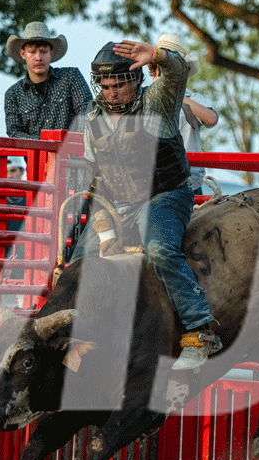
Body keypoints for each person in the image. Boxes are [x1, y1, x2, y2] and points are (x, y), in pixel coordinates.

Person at [75, 40, 221, 370]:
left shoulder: (156, 102)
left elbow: (177, 72)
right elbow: (95, 181)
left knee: (158, 249)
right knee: (78, 261)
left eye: (119, 85)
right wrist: (104, 234)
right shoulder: (92, 118)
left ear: (136, 80)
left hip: (165, 193)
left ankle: (200, 330)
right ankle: (80, 337)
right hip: (116, 202)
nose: (112, 92)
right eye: (106, 86)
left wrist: (159, 56)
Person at [147, 34, 219, 195]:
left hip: (188, 185)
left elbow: (211, 119)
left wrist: (175, 93)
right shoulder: (142, 96)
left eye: (175, 68)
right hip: (151, 184)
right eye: (166, 66)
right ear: (156, 67)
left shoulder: (193, 98)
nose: (170, 72)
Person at [4, 22, 93, 138]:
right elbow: (14, 132)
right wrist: (46, 143)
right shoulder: (13, 94)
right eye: (32, 52)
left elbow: (88, 113)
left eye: (43, 52)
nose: (38, 58)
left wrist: (67, 144)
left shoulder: (71, 77)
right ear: (23, 53)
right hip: (35, 155)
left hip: (73, 153)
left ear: (51, 53)